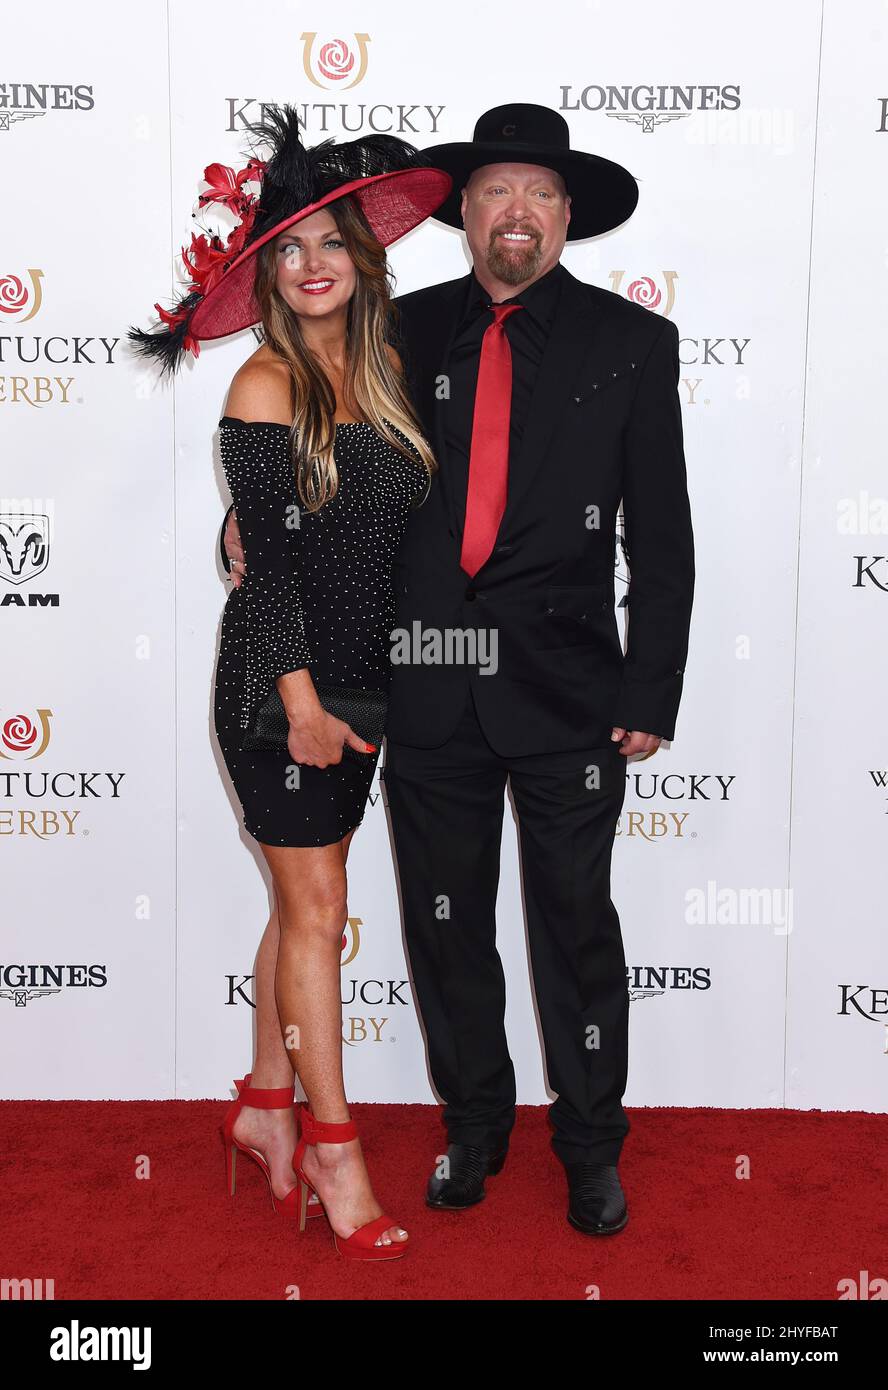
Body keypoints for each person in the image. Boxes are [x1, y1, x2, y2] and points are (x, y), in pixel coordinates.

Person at [223, 102, 695, 1237]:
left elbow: (663, 532)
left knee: (575, 924)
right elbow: (313, 480)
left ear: (568, 214)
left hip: (570, 690)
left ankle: (590, 1144)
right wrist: (237, 534)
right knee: (446, 928)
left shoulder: (631, 343)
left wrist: (651, 689)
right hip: (422, 684)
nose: (516, 211)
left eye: (539, 191)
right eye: (494, 191)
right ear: (465, 215)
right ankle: (475, 1127)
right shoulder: (401, 329)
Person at [129, 105, 451, 1260]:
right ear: (264, 273)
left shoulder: (387, 369)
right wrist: (303, 703)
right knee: (320, 912)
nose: (312, 268)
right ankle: (333, 1145)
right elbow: (263, 571)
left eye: (331, 246)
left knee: (298, 904)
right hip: (282, 690)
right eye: (288, 252)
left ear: (365, 263)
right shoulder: (263, 386)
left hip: (367, 683)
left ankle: (265, 1102)